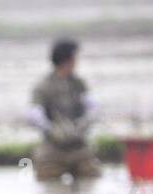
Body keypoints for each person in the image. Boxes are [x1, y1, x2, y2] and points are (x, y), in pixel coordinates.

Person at [27, 39, 100, 181]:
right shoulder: (44, 86)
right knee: (47, 180)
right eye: (74, 57)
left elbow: (93, 107)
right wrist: (51, 129)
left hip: (79, 147)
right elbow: (34, 114)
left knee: (91, 176)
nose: (76, 62)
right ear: (66, 60)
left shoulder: (78, 83)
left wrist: (85, 123)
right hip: (53, 149)